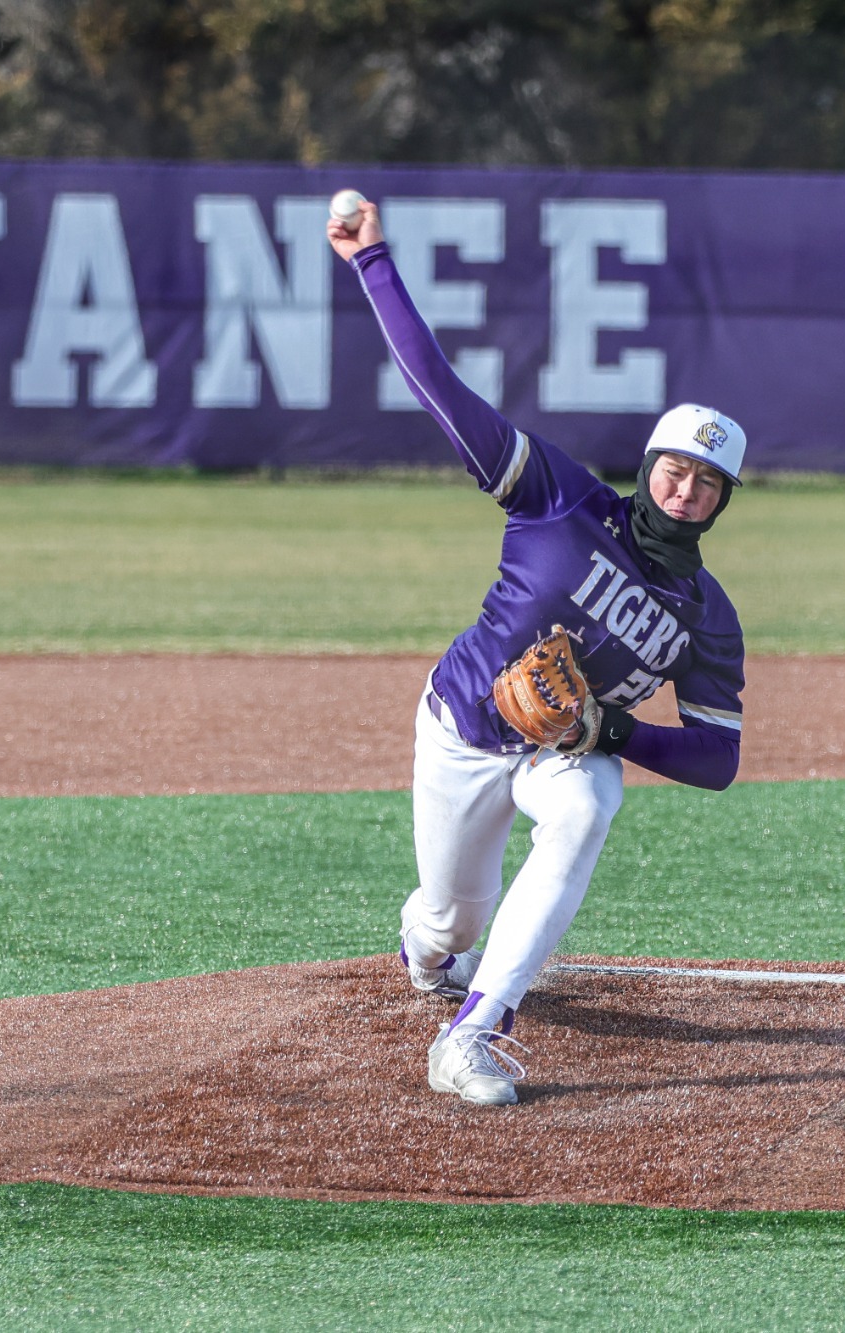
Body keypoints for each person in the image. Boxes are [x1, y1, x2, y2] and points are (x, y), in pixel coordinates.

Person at [328, 199, 748, 1106]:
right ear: (650, 466)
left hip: (561, 755)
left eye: (708, 483)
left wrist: (612, 727)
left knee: (593, 798)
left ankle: (473, 1032)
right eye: (676, 469)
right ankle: (430, 947)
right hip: (465, 727)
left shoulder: (706, 615)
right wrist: (373, 265)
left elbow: (719, 760)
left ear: (723, 501)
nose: (685, 490)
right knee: (448, 924)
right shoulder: (563, 500)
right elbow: (443, 389)